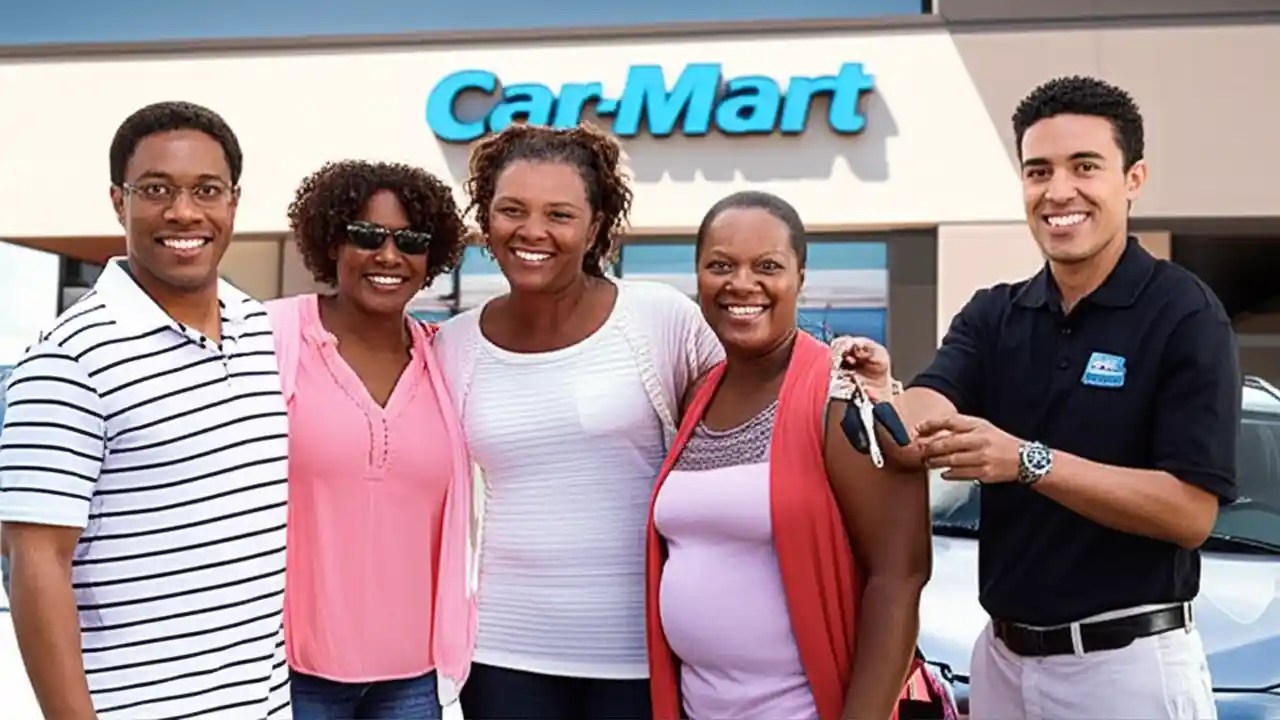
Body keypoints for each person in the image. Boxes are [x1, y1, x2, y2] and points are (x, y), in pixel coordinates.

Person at [851, 76, 1239, 719]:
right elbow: (927, 410)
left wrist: (1030, 461)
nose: (1059, 192)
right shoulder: (995, 314)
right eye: (1039, 171)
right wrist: (884, 401)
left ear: (1133, 178)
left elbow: (1189, 513)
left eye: (1085, 166)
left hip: (1127, 670)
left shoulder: (1185, 314)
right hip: (999, 665)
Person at [0, 101, 291, 718]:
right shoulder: (68, 360)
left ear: (233, 201)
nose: (183, 212)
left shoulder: (260, 332)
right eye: (156, 189)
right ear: (118, 200)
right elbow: (34, 563)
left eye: (206, 190)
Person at [432, 122, 724, 720]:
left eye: (559, 215)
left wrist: (849, 379)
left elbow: (753, 417)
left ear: (595, 227)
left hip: (639, 652)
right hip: (501, 652)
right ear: (486, 220)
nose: (532, 232)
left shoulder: (658, 318)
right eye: (511, 209)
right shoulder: (453, 345)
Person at [644, 191, 933, 720]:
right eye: (720, 265)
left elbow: (900, 574)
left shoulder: (839, 395)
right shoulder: (696, 395)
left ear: (800, 276)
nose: (742, 284)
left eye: (768, 266)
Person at [264, 160, 472, 719]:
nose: (388, 255)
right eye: (365, 235)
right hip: (288, 672)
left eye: (410, 240)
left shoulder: (447, 357)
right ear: (331, 242)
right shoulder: (268, 337)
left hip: (410, 677)